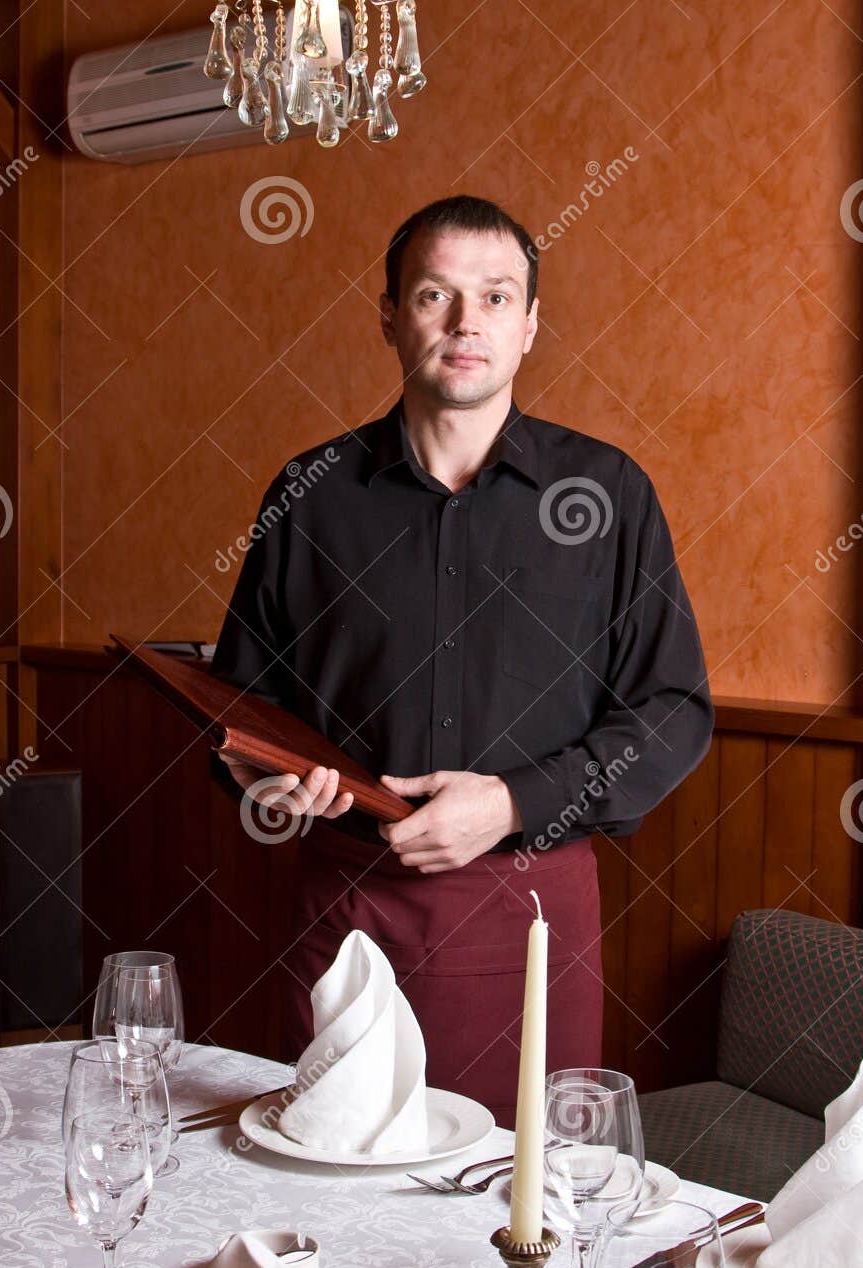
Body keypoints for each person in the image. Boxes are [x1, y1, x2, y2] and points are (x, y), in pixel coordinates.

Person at [210, 194, 713, 1124]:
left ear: (528, 326)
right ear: (391, 318)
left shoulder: (607, 494)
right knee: (326, 1187)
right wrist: (264, 777)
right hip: (345, 901)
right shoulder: (308, 493)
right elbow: (242, 700)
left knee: (512, 1207)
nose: (464, 322)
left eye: (493, 297)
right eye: (435, 295)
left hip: (528, 907)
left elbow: (672, 709)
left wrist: (517, 800)